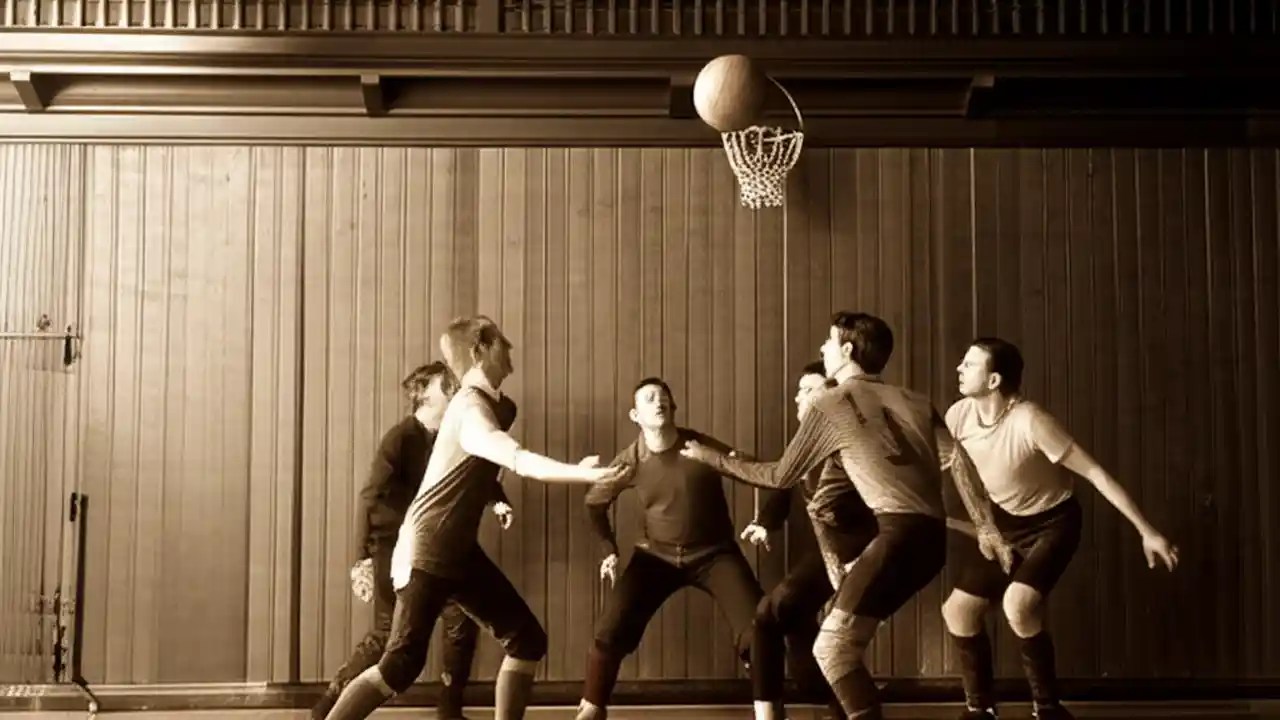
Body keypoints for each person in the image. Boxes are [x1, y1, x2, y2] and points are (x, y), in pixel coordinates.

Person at [681, 311, 1014, 720]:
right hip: (930, 543)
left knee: (832, 649)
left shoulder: (829, 403)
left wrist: (710, 457)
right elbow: (958, 460)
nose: (822, 349)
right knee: (843, 647)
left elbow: (779, 474)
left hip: (895, 536)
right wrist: (987, 528)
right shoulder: (914, 399)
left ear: (847, 349)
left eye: (828, 342)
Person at [324, 315, 626, 720]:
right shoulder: (468, 407)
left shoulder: (486, 404)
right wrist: (587, 473)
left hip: (459, 552)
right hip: (428, 552)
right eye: (501, 341)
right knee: (400, 665)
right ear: (479, 350)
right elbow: (516, 459)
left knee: (526, 639)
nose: (511, 348)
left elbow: (479, 469)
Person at [941, 338, 1180, 720]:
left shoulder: (1031, 421)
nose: (959, 369)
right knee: (958, 611)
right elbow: (957, 470)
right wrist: (983, 526)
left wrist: (1146, 531)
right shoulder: (959, 415)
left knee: (1018, 607)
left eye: (969, 365)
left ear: (994, 379)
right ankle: (980, 709)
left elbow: (1096, 474)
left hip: (1052, 523)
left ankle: (1049, 709)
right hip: (1002, 524)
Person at [313, 361, 513, 720]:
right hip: (393, 549)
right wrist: (362, 559)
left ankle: (449, 712)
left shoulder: (452, 435)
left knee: (461, 623)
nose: (454, 390)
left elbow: (472, 471)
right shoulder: (401, 438)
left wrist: (497, 499)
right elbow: (369, 497)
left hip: (438, 547)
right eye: (445, 386)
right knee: (387, 636)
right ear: (423, 397)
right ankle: (325, 711)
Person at [574, 377, 778, 720]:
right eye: (650, 398)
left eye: (664, 396)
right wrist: (608, 548)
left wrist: (766, 520)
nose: (659, 402)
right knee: (609, 629)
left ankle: (769, 714)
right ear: (635, 415)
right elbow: (594, 503)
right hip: (656, 556)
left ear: (673, 407)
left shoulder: (697, 445)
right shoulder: (631, 460)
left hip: (715, 554)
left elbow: (757, 471)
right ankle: (591, 710)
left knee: (759, 628)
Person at [741, 361, 877, 720]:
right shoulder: (806, 442)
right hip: (827, 550)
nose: (799, 397)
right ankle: (839, 708)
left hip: (858, 548)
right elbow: (785, 481)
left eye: (808, 389)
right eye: (798, 391)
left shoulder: (849, 435)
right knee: (803, 650)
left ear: (832, 395)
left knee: (772, 614)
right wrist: (765, 523)